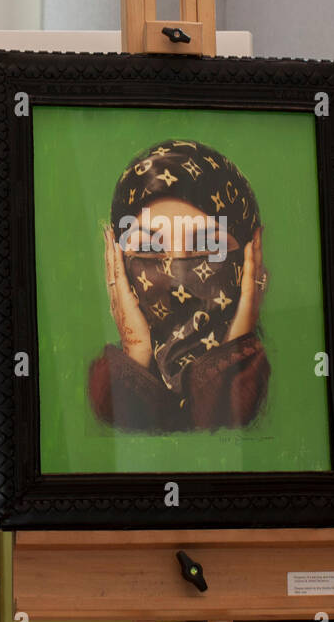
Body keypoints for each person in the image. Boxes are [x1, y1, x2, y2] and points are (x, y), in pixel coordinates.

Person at [88, 139, 269, 432]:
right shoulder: (103, 402)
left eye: (208, 245)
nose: (177, 280)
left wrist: (235, 359)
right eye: (148, 247)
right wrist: (135, 355)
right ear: (117, 265)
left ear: (252, 257)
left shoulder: (274, 393)